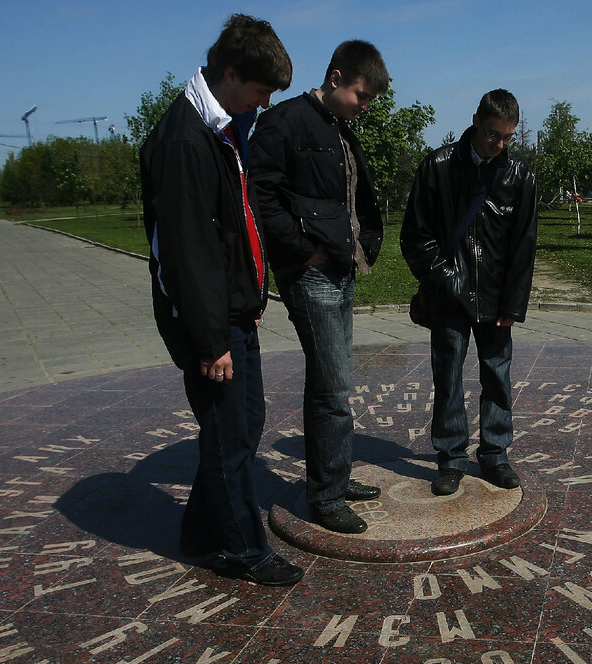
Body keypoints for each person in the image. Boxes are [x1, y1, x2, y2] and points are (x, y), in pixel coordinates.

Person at [140, 13, 303, 587]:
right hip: (209, 323)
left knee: (242, 423)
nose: (263, 104)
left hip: (233, 310)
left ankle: (200, 533)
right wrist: (211, 342)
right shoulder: (185, 140)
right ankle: (243, 551)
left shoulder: (220, 127)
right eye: (259, 91)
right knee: (229, 434)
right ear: (230, 73)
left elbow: (230, 225)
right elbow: (187, 251)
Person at [251, 40, 388, 534]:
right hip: (312, 273)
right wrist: (302, 251)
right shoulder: (284, 122)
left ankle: (334, 475)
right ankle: (326, 496)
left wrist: (359, 245)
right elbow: (261, 196)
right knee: (332, 388)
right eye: (361, 95)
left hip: (339, 268)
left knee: (333, 382)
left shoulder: (338, 126)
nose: (364, 106)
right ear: (335, 78)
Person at [401, 89, 537, 496]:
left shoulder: (519, 173)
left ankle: (495, 453)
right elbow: (416, 237)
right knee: (448, 376)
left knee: (497, 375)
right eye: (494, 134)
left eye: (509, 137)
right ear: (476, 121)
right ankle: (451, 457)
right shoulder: (438, 166)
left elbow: (523, 244)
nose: (500, 144)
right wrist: (449, 281)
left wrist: (514, 303)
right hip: (449, 295)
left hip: (497, 297)